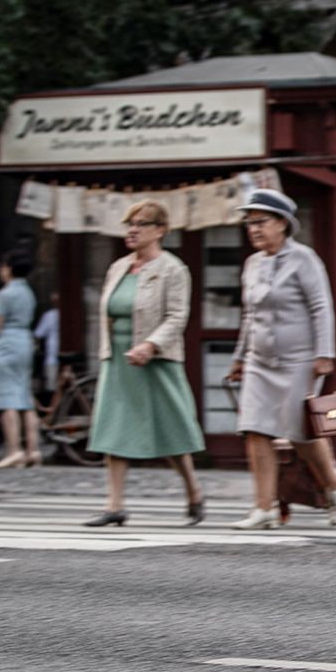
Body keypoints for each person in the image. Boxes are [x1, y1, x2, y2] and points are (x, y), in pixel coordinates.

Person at [225, 189, 336, 530]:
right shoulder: (253, 263)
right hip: (259, 360)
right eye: (249, 223)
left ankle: (335, 487)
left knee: (301, 432)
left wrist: (325, 354)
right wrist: (239, 358)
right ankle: (263, 507)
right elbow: (249, 315)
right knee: (255, 429)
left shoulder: (304, 258)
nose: (254, 229)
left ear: (283, 223)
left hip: (299, 360)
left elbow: (321, 306)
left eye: (261, 222)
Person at [82, 199, 206, 527]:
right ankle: (115, 504)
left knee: (171, 429)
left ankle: (193, 492)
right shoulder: (119, 267)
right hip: (119, 358)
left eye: (141, 224)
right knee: (114, 427)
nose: (132, 230)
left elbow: (178, 316)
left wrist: (150, 345)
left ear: (160, 231)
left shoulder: (173, 269)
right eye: (129, 224)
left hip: (155, 359)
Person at [0, 249, 41, 469]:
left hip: (6, 344)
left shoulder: (4, 294)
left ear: (8, 269)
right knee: (25, 398)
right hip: (24, 341)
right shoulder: (28, 293)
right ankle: (33, 449)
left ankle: (13, 449)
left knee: (7, 399)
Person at [33, 292, 60, 390]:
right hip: (53, 354)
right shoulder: (50, 315)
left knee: (52, 386)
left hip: (52, 355)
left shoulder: (49, 316)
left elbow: (38, 335)